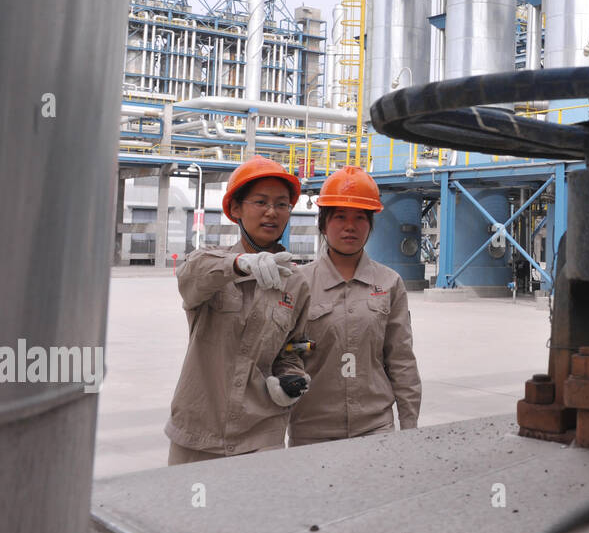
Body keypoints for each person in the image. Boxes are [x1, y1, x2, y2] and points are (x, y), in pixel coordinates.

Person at [164, 155, 313, 464]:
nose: (272, 212)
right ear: (235, 209)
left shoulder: (296, 283)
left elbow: (292, 349)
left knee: (253, 511)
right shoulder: (210, 263)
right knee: (187, 511)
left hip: (261, 431)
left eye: (282, 204)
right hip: (198, 428)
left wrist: (290, 379)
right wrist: (239, 264)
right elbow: (189, 278)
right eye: (260, 201)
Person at [288, 166, 421, 447]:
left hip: (375, 427)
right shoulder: (298, 284)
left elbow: (401, 359)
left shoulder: (389, 283)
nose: (350, 226)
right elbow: (283, 356)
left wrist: (410, 427)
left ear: (370, 225)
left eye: (360, 217)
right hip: (313, 430)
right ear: (323, 224)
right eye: (339, 217)